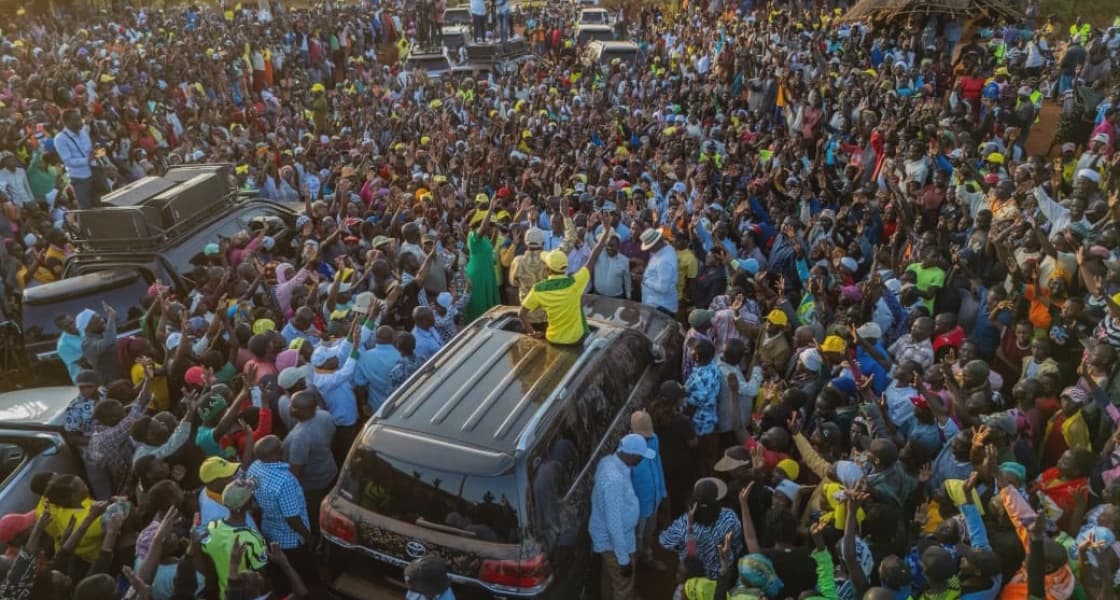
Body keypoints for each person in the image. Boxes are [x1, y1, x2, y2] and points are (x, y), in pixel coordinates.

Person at [519, 224, 611, 344]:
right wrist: (607, 230)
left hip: (553, 339)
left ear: (547, 269)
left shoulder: (538, 289)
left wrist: (532, 332)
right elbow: (593, 256)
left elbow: (521, 314)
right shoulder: (575, 282)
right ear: (565, 268)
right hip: (576, 339)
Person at [589, 433, 653, 600]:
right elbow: (614, 524)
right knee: (623, 585)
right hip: (616, 544)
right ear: (631, 455)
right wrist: (624, 560)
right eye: (640, 457)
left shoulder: (608, 462)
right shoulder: (615, 481)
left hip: (610, 540)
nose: (642, 460)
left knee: (610, 579)